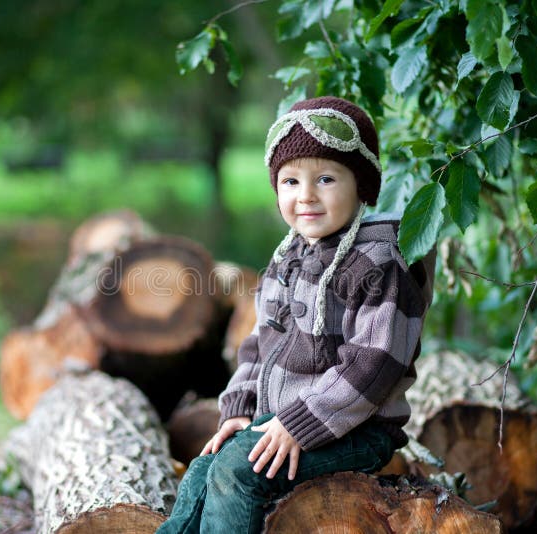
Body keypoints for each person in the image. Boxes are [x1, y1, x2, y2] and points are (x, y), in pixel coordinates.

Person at [156, 96, 435, 533]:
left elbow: (375, 363)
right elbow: (256, 347)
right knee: (204, 467)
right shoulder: (288, 259)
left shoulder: (380, 263)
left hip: (357, 429)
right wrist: (239, 408)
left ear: (361, 185)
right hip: (282, 419)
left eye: (325, 179)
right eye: (290, 182)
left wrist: (299, 425)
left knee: (237, 472)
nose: (306, 196)